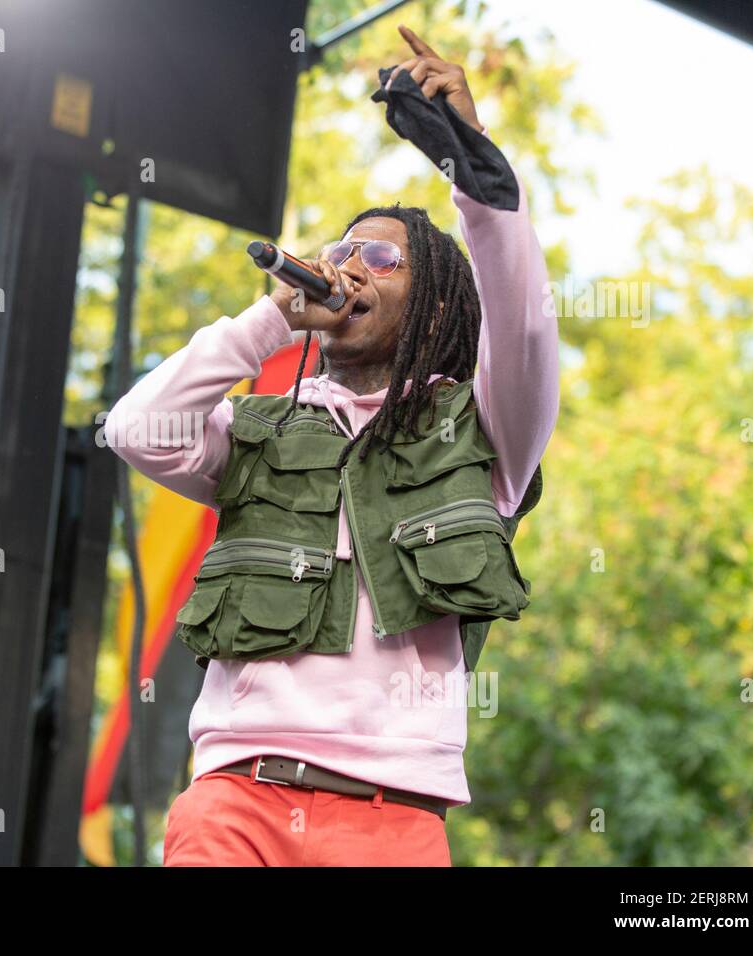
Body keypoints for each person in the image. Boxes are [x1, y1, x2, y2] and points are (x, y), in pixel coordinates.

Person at [104, 25, 559, 867]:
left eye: (380, 258)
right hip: (237, 798)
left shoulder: (482, 428)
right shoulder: (261, 427)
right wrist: (269, 318)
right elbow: (135, 429)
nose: (348, 267)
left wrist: (475, 171)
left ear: (432, 307)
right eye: (338, 253)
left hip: (394, 818)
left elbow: (525, 322)